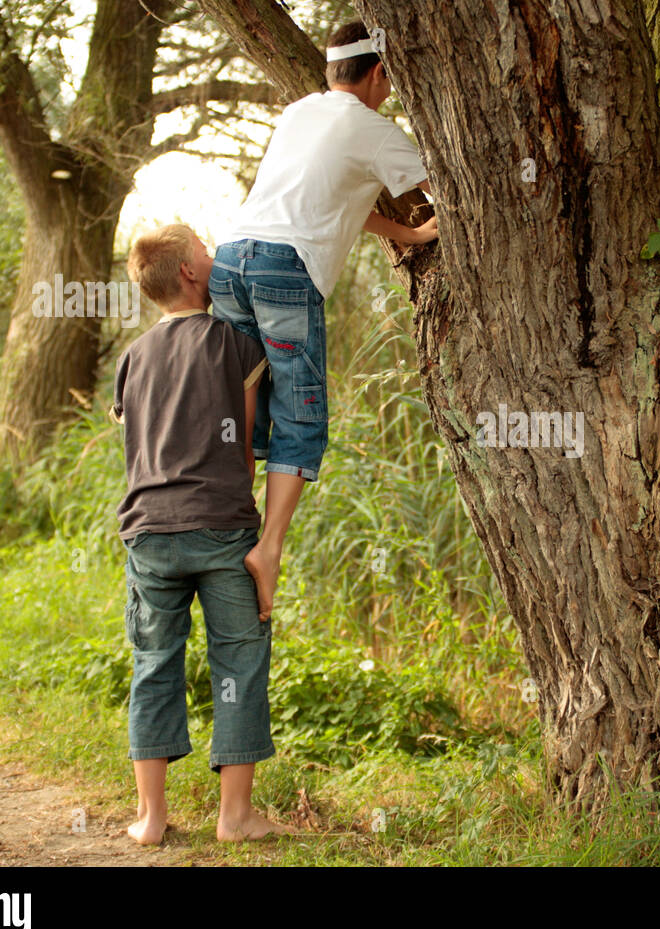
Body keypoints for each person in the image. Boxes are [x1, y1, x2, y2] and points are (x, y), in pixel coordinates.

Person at [209, 18, 437, 624]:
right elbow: (452, 193)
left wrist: (407, 234)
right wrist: (430, 219)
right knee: (301, 412)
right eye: (391, 81)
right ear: (380, 73)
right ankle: (270, 549)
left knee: (245, 393)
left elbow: (331, 202)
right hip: (285, 270)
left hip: (231, 258)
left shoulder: (298, 114)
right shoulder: (376, 130)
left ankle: (229, 524)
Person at [111, 223, 292, 844]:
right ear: (191, 272)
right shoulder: (233, 344)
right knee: (238, 659)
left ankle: (151, 818)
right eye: (208, 253)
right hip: (221, 527)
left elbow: (137, 444)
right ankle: (235, 817)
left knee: (154, 663)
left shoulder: (133, 356)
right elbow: (243, 447)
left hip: (149, 532)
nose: (216, 260)